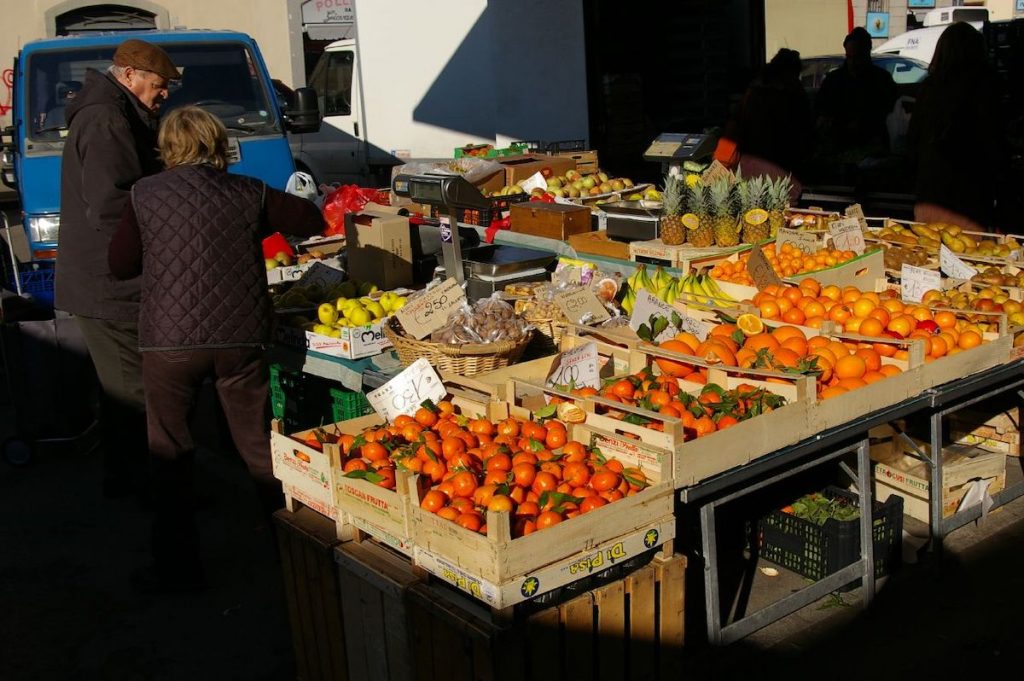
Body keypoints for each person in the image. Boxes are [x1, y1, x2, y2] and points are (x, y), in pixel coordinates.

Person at [108, 106, 325, 591]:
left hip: (169, 343)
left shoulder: (144, 194)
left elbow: (120, 264)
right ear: (218, 145)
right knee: (258, 448)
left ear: (167, 147)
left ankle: (178, 570)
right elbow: (310, 218)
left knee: (170, 451)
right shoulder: (248, 191)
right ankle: (288, 553)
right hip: (240, 339)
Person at [55, 39, 180, 500]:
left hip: (108, 279)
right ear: (129, 75)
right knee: (133, 392)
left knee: (121, 392)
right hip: (109, 283)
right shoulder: (106, 118)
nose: (163, 94)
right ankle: (147, 487)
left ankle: (129, 481)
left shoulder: (114, 112)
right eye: (159, 85)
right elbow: (112, 206)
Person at [907, 22, 1006, 230]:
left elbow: (912, 139)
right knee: (972, 248)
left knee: (927, 247)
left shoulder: (929, 87)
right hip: (970, 194)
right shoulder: (984, 86)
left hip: (931, 190)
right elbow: (993, 140)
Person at [731, 48, 813, 198]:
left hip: (754, 159)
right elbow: (803, 130)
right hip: (779, 161)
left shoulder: (753, 93)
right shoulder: (790, 95)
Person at [817, 27, 898, 159]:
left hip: (873, 149)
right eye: (849, 57)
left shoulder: (882, 80)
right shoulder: (833, 80)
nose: (853, 63)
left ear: (867, 53)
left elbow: (889, 111)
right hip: (840, 148)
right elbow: (821, 111)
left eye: (858, 57)